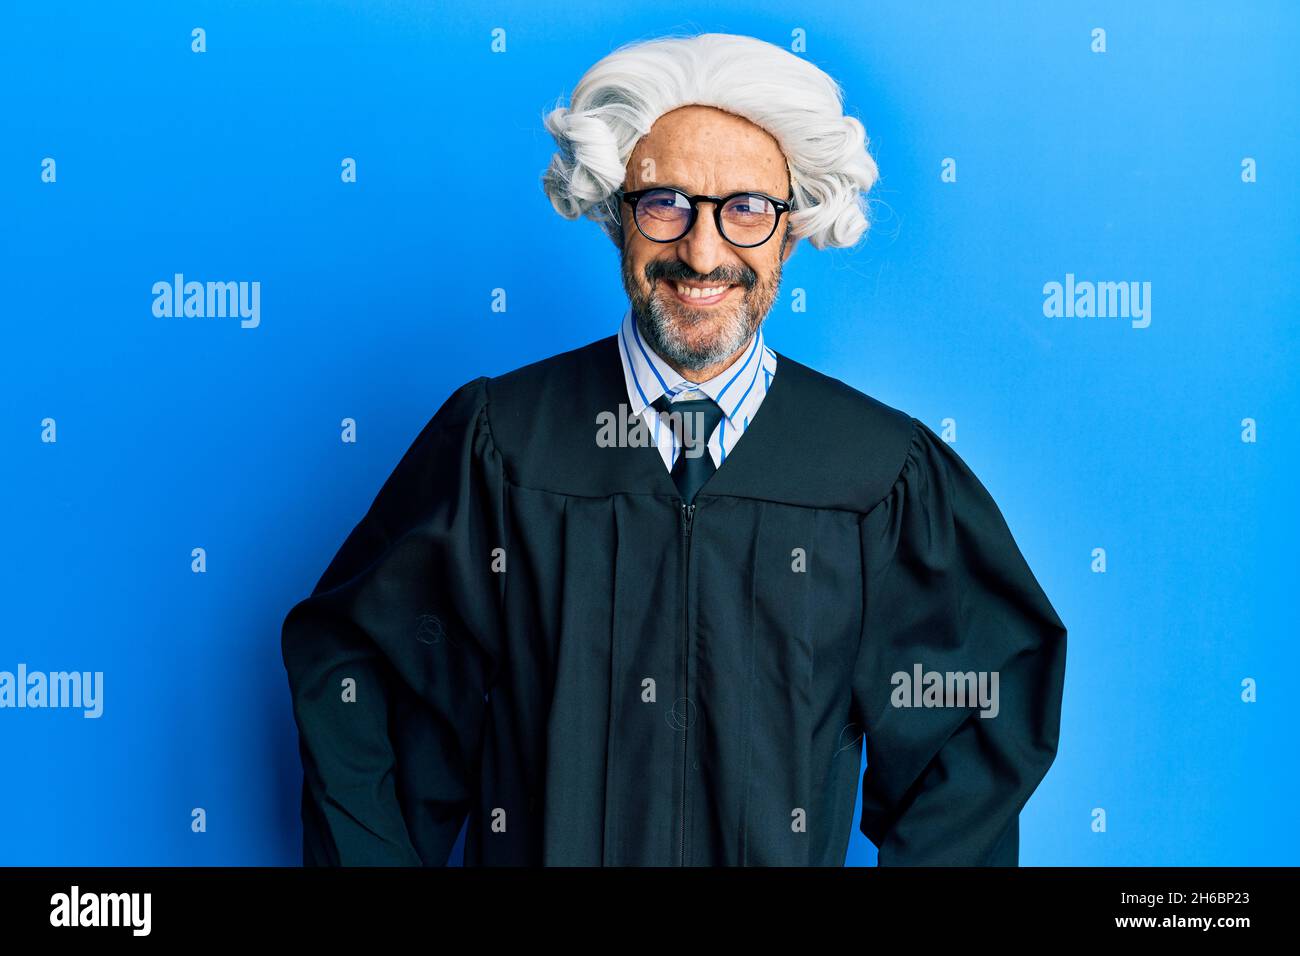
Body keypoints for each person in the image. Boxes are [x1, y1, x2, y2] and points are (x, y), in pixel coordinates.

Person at [280, 32, 1067, 867]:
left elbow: (977, 721)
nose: (702, 250)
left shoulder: (877, 476)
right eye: (665, 202)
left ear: (790, 232)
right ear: (618, 218)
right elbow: (368, 687)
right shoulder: (502, 448)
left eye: (746, 208)